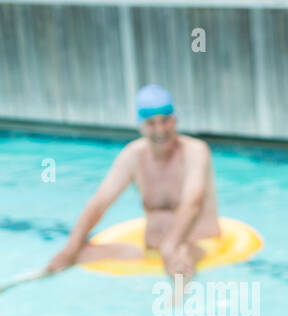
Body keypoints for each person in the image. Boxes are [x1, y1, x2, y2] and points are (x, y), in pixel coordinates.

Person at [43, 86, 219, 287]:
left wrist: (171, 245)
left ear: (176, 120)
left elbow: (192, 203)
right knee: (81, 253)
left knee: (182, 253)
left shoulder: (195, 151)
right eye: (151, 123)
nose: (160, 130)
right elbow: (99, 204)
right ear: (141, 126)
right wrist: (70, 250)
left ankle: (176, 304)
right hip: (152, 251)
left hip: (197, 246)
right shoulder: (133, 156)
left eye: (165, 121)